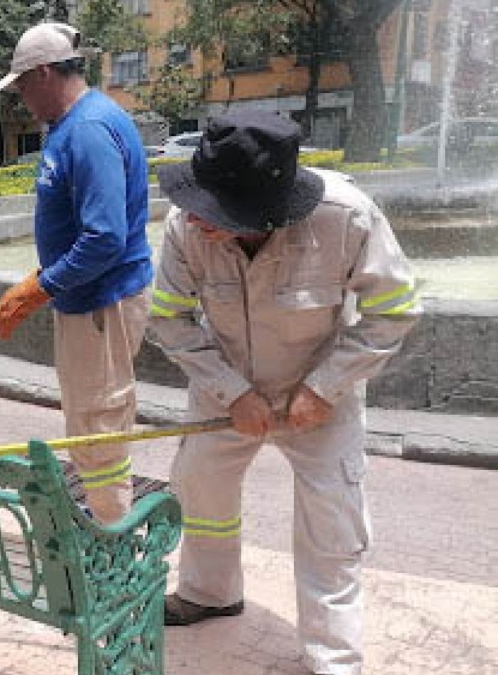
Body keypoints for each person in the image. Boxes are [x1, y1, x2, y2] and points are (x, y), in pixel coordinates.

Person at [150, 111, 421, 675]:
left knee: (333, 523)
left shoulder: (346, 216)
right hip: (226, 387)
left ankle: (335, 659)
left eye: (215, 213)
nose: (198, 221)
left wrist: (324, 388)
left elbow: (395, 310)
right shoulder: (185, 226)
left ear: (263, 213)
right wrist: (231, 392)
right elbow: (169, 319)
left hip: (319, 394)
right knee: (201, 487)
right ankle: (209, 591)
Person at [0, 22, 153, 524]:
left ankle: (110, 533)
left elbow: (105, 237)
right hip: (88, 300)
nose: (19, 97)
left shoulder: (87, 130)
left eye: (21, 84)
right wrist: (49, 276)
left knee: (99, 425)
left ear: (43, 73)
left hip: (100, 302)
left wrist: (40, 287)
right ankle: (105, 515)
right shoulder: (77, 124)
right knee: (90, 417)